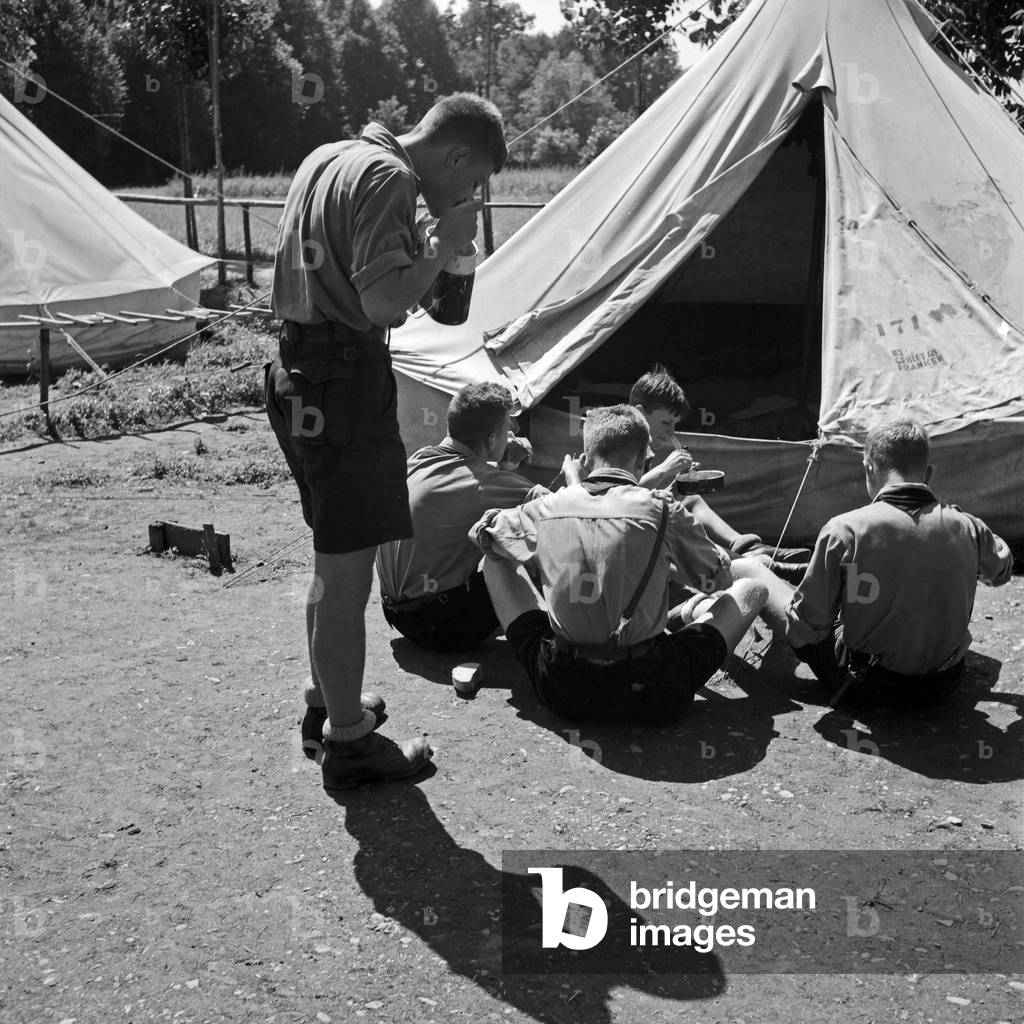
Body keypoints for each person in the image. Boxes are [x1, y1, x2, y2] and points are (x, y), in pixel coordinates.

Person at [265, 93, 507, 789]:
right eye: (476, 179)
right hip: (344, 383)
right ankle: (349, 744)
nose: (472, 193)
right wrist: (439, 247)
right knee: (346, 576)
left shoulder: (328, 157)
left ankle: (327, 702)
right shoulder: (392, 179)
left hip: (296, 372)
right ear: (457, 153)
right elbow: (382, 303)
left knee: (329, 560)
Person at [469, 405, 773, 725]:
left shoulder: (547, 506)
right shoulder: (663, 509)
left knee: (494, 562)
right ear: (644, 459)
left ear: (586, 462)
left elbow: (484, 538)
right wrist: (666, 565)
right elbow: (720, 580)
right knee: (752, 588)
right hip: (652, 691)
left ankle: (680, 614)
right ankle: (687, 614)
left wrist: (542, 549)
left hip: (562, 688)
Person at [781, 420, 1014, 705]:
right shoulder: (969, 527)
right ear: (928, 474)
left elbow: (808, 626)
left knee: (772, 586)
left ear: (868, 468)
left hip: (868, 685)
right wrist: (986, 539)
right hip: (943, 683)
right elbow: (1000, 572)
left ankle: (768, 566)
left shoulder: (844, 530)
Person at [376, 382, 546, 651]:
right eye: (507, 429)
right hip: (438, 624)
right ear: (492, 439)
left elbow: (464, 491)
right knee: (519, 541)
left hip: (397, 613)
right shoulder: (481, 482)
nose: (511, 434)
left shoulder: (420, 458)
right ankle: (549, 641)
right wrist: (575, 473)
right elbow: (559, 508)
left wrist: (501, 465)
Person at [629, 365, 811, 571]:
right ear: (639, 413)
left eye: (675, 424)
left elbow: (642, 494)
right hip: (628, 530)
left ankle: (748, 547)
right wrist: (665, 469)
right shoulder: (620, 443)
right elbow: (619, 495)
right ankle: (745, 564)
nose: (672, 431)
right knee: (679, 523)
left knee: (689, 499)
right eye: (665, 422)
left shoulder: (644, 447)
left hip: (639, 518)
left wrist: (678, 486)